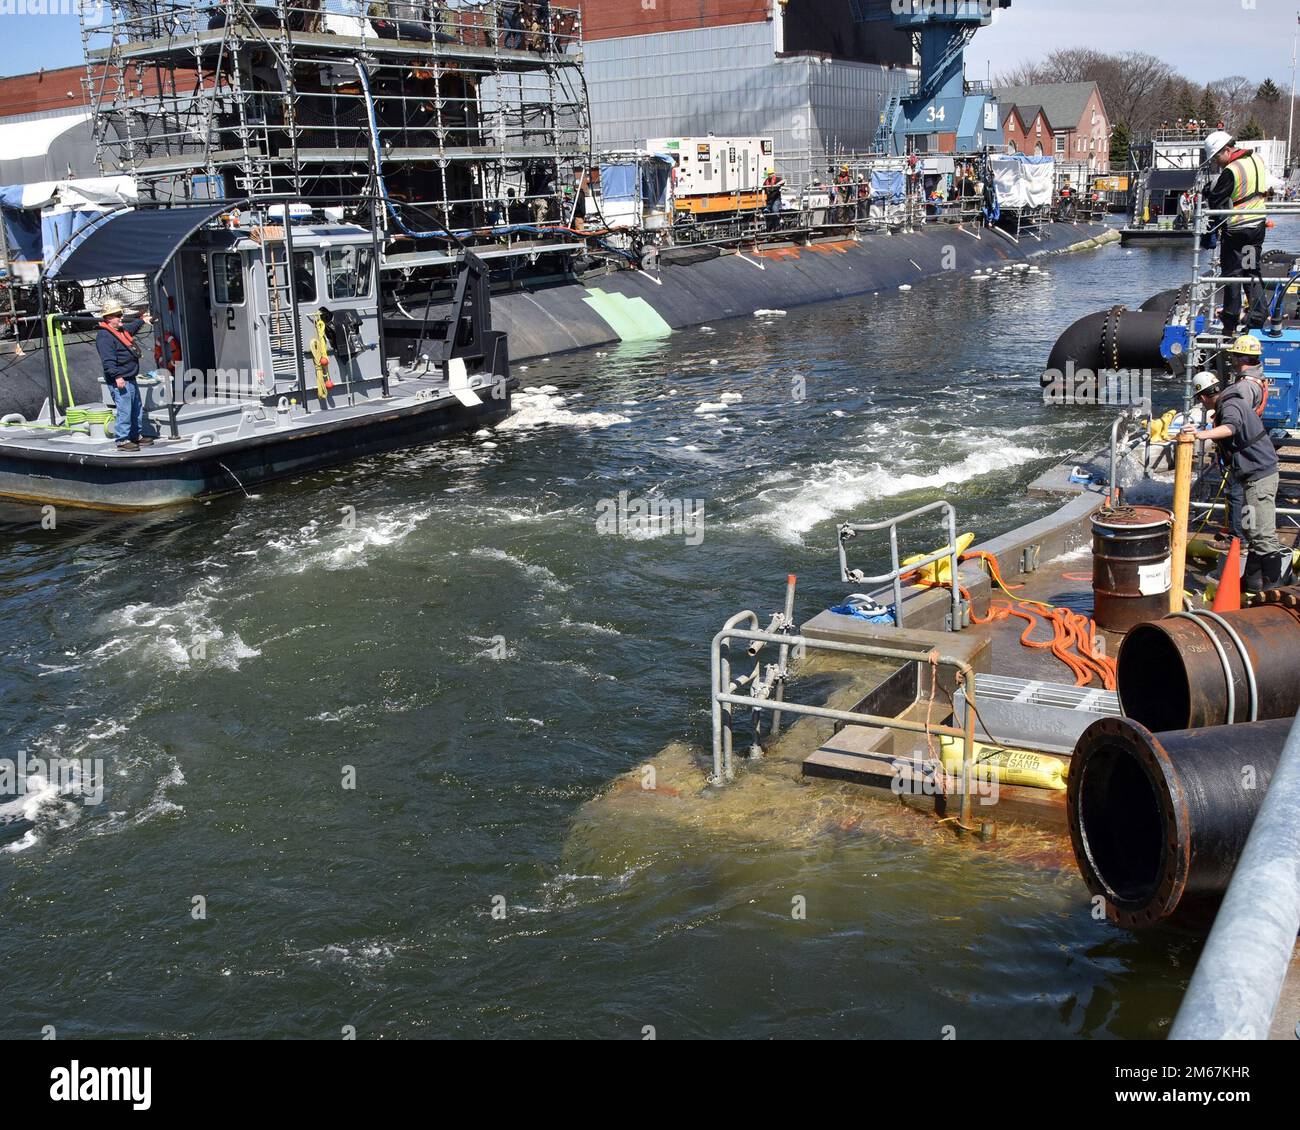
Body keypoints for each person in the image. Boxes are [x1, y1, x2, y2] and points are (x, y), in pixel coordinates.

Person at [1183, 370, 1291, 589]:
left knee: (1263, 535)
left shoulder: (1229, 405)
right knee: (1252, 532)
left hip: (1260, 476)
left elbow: (1231, 427)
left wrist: (1199, 434)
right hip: (1252, 475)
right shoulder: (1231, 401)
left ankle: (1274, 586)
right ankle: (1252, 582)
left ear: (1203, 397)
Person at [1204, 129, 1271, 336]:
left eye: (1217, 157)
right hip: (1257, 228)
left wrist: (1208, 192)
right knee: (1251, 270)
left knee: (1233, 275)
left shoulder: (1232, 170)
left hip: (1237, 231)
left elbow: (1216, 201)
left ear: (1226, 150)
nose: (1217, 162)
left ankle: (1230, 323)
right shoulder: (1257, 160)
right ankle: (1258, 318)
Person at [96, 299, 154, 452]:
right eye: (116, 315)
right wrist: (117, 377)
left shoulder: (120, 331)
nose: (120, 317)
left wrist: (142, 320)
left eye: (120, 314)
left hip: (130, 377)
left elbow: (131, 327)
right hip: (120, 379)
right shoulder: (105, 337)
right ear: (108, 318)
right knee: (125, 409)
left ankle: (136, 435)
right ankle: (122, 439)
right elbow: (108, 361)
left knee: (136, 408)